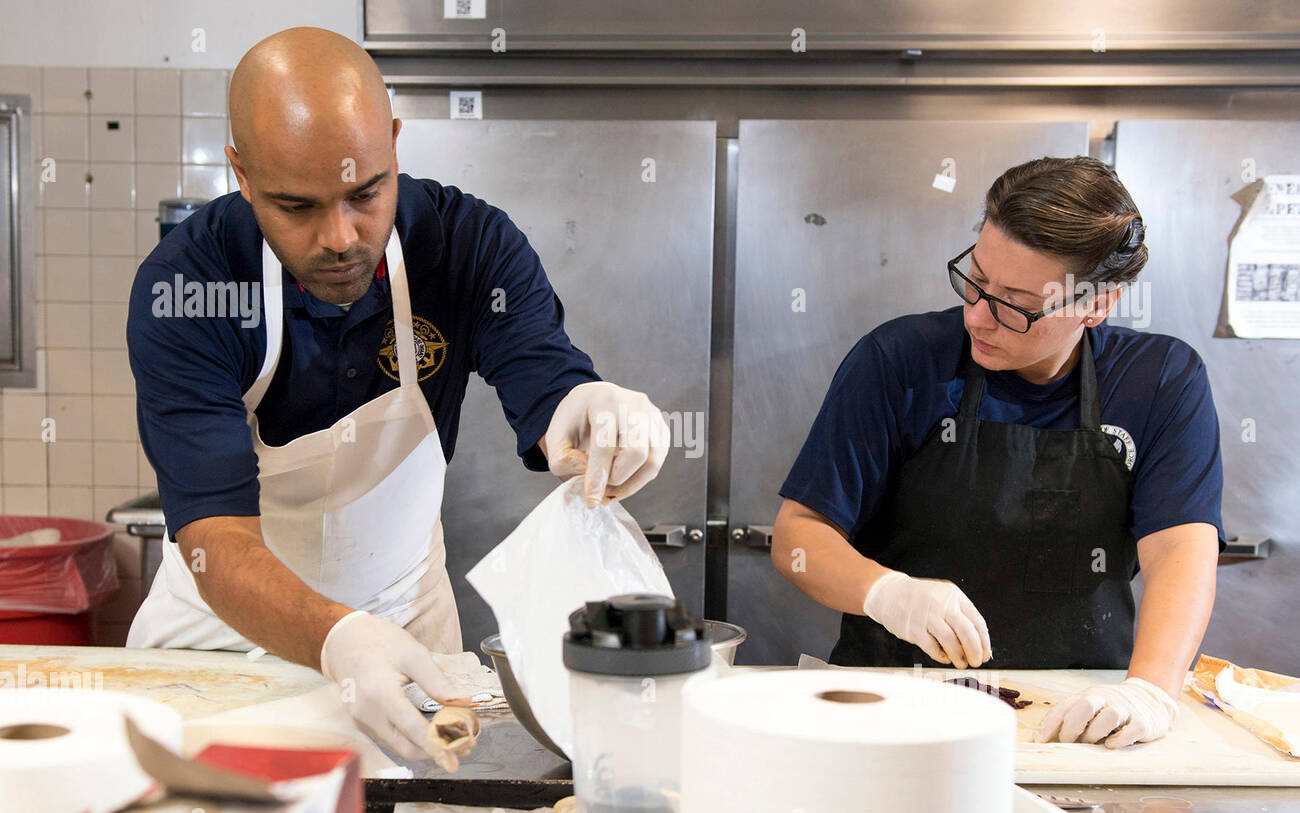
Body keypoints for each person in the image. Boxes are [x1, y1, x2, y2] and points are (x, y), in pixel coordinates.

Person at [125, 28, 669, 760]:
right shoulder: (191, 286)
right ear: (241, 175)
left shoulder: (468, 247)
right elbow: (215, 538)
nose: (341, 237)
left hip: (403, 629)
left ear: (394, 143)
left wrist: (589, 407)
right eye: (297, 207)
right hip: (222, 641)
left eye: (365, 192)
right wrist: (334, 637)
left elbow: (548, 379)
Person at [771, 156, 1223, 748]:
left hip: (1080, 715)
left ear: (1096, 305)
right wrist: (886, 592)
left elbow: (1180, 552)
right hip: (896, 709)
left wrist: (1150, 691)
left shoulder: (1160, 380)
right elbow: (799, 535)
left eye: (1016, 304)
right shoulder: (900, 361)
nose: (978, 317)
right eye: (976, 279)